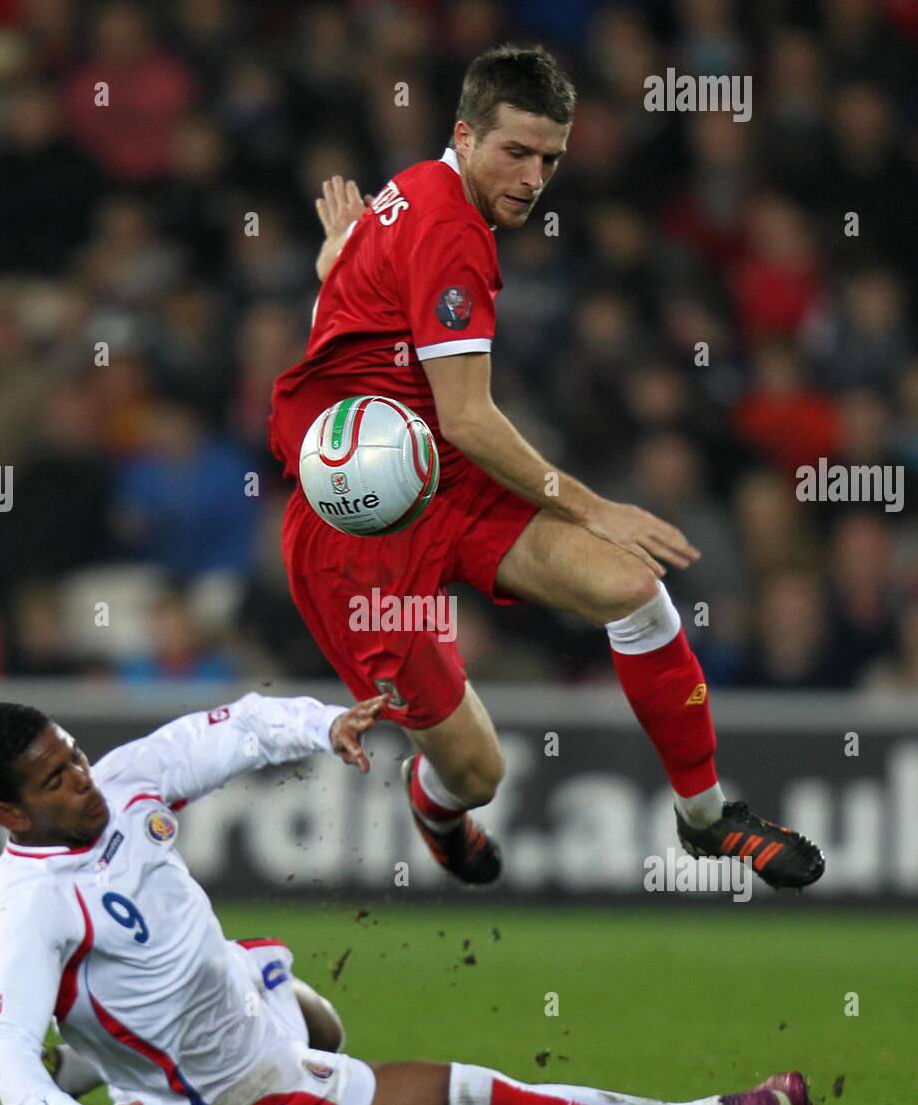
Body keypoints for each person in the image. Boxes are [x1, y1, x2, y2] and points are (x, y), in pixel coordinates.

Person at [268, 43, 825, 891]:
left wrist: (332, 266)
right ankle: (435, 802)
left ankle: (706, 816)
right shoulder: (450, 227)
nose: (532, 177)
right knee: (476, 775)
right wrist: (591, 504)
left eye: (550, 159)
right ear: (465, 133)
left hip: (442, 479)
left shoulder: (416, 187)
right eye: (515, 153)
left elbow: (351, 316)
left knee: (632, 590)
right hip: (358, 531)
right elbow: (465, 412)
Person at [0, 696, 811, 1105]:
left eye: (72, 754)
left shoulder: (124, 779)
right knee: (462, 1095)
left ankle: (89, 1060)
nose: (83, 779)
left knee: (323, 1019)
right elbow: (1, 1039)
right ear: (12, 816)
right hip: (226, 1086)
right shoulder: (36, 908)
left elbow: (241, 728)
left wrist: (324, 724)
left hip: (236, 990)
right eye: (56, 780)